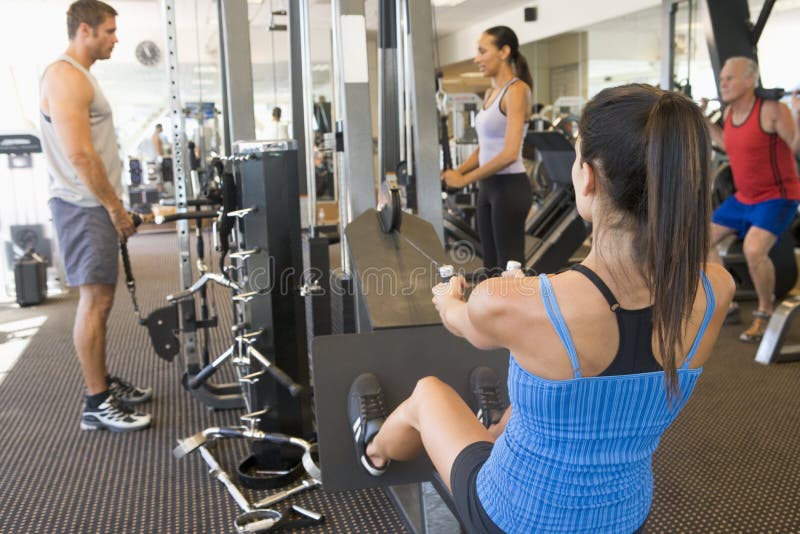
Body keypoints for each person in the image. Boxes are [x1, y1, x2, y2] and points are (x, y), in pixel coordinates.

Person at [348, 85, 735, 532]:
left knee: (428, 394)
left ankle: (373, 449)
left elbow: (461, 323)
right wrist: (527, 300)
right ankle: (493, 426)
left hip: (516, 517)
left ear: (586, 177)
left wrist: (450, 299)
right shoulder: (716, 289)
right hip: (625, 517)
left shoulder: (510, 302)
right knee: (542, 402)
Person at [40, 0, 152, 432]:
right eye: (108, 31)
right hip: (81, 206)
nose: (115, 38)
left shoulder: (78, 76)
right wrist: (114, 207)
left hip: (88, 205)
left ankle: (101, 382)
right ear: (84, 31)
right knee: (94, 301)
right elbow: (81, 155)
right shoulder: (66, 76)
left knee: (101, 302)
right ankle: (95, 402)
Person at [703, 57, 800, 342]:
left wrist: (797, 115)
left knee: (754, 249)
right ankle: (726, 303)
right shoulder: (731, 113)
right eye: (722, 79)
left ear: (750, 79)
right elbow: (727, 145)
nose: (723, 83)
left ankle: (765, 312)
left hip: (778, 196)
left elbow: (795, 148)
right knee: (699, 240)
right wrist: (701, 121)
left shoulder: (771, 110)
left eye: (729, 78)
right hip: (744, 198)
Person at [441, 26, 533, 275]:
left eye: (483, 51)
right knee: (490, 264)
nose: (477, 58)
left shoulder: (517, 90)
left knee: (509, 267)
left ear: (504, 51)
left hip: (510, 187)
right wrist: (456, 172)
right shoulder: (491, 93)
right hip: (489, 188)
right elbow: (486, 146)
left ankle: (515, 314)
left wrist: (464, 179)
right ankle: (491, 314)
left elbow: (509, 153)